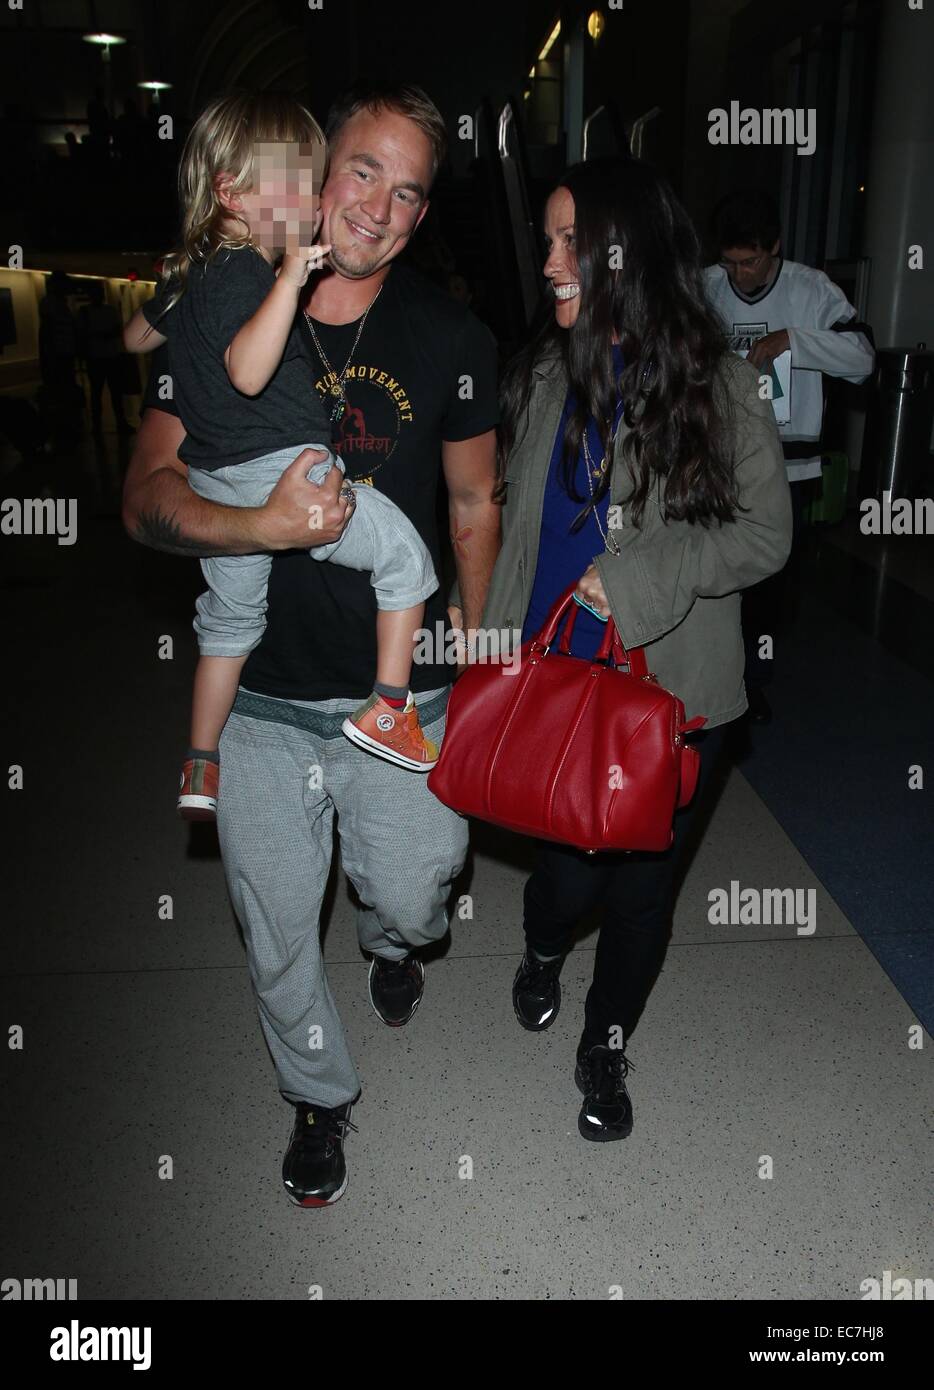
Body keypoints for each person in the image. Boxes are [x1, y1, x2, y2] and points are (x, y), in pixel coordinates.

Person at [122, 82, 500, 1205]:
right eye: (361, 171)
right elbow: (145, 494)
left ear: (424, 216)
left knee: (416, 889)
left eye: (409, 189)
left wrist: (471, 647)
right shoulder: (210, 309)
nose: (379, 204)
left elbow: (472, 502)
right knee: (275, 926)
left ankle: (393, 945)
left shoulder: (453, 334)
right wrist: (257, 527)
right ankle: (316, 1094)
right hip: (265, 703)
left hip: (402, 693)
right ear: (307, 170)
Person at [478, 157, 792, 1142]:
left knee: (643, 890)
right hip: (554, 675)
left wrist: (644, 577)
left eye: (573, 241)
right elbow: (510, 527)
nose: (552, 263)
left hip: (673, 689)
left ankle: (604, 1041)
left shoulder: (718, 385)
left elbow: (764, 536)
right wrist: (486, 645)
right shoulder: (535, 374)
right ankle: (538, 944)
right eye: (547, 241)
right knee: (569, 875)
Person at [124, 91, 441, 821]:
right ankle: (390, 706)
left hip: (216, 476)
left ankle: (201, 759)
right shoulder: (249, 272)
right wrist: (290, 279)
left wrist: (173, 295)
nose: (308, 197)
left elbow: (136, 339)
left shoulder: (194, 274)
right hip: (287, 469)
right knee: (405, 561)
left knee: (228, 625)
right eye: (294, 181)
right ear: (232, 190)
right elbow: (248, 370)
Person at [704, 189, 875, 723]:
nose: (741, 275)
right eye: (731, 262)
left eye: (751, 261)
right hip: (719, 463)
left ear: (774, 247)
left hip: (789, 465)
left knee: (771, 582)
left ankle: (754, 680)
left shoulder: (810, 290)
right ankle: (724, 679)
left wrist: (794, 341)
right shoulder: (705, 287)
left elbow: (864, 358)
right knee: (716, 574)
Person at [77, 281, 134, 438]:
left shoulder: (110, 311)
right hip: (95, 357)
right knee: (96, 393)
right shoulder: (84, 312)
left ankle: (120, 422)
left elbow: (117, 329)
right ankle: (96, 425)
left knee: (116, 393)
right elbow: (82, 335)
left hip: (111, 356)